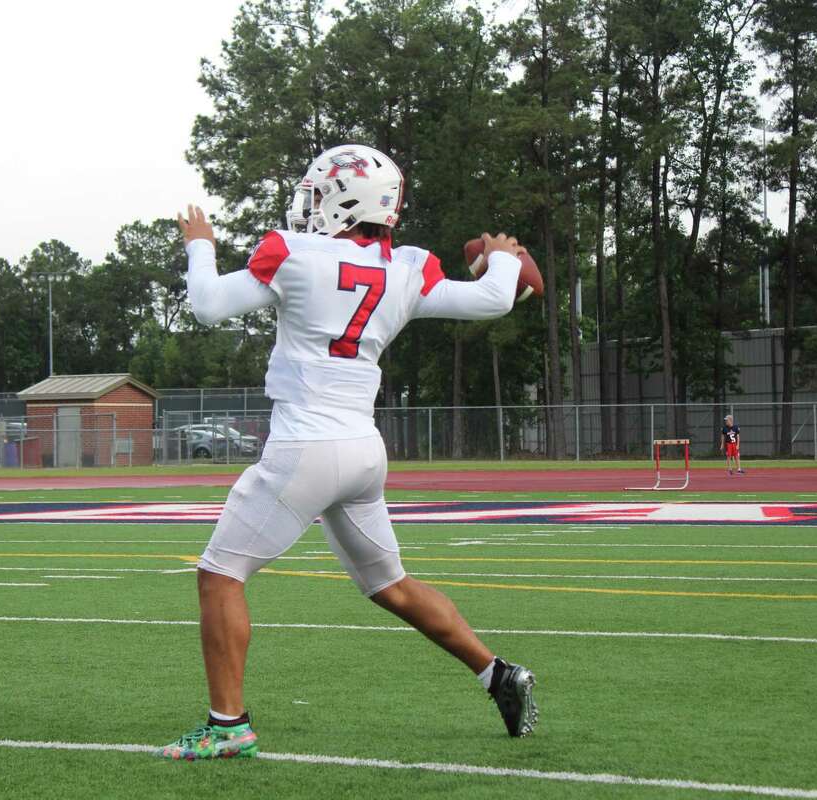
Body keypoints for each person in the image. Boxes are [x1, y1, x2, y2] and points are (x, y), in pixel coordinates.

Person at [159, 144, 540, 762]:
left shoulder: (292, 252)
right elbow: (495, 298)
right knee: (391, 585)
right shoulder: (408, 267)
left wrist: (200, 245)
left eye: (318, 193)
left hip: (304, 448)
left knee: (220, 575)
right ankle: (498, 674)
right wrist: (501, 257)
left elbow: (207, 305)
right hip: (362, 451)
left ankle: (228, 727)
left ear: (343, 197)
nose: (308, 205)